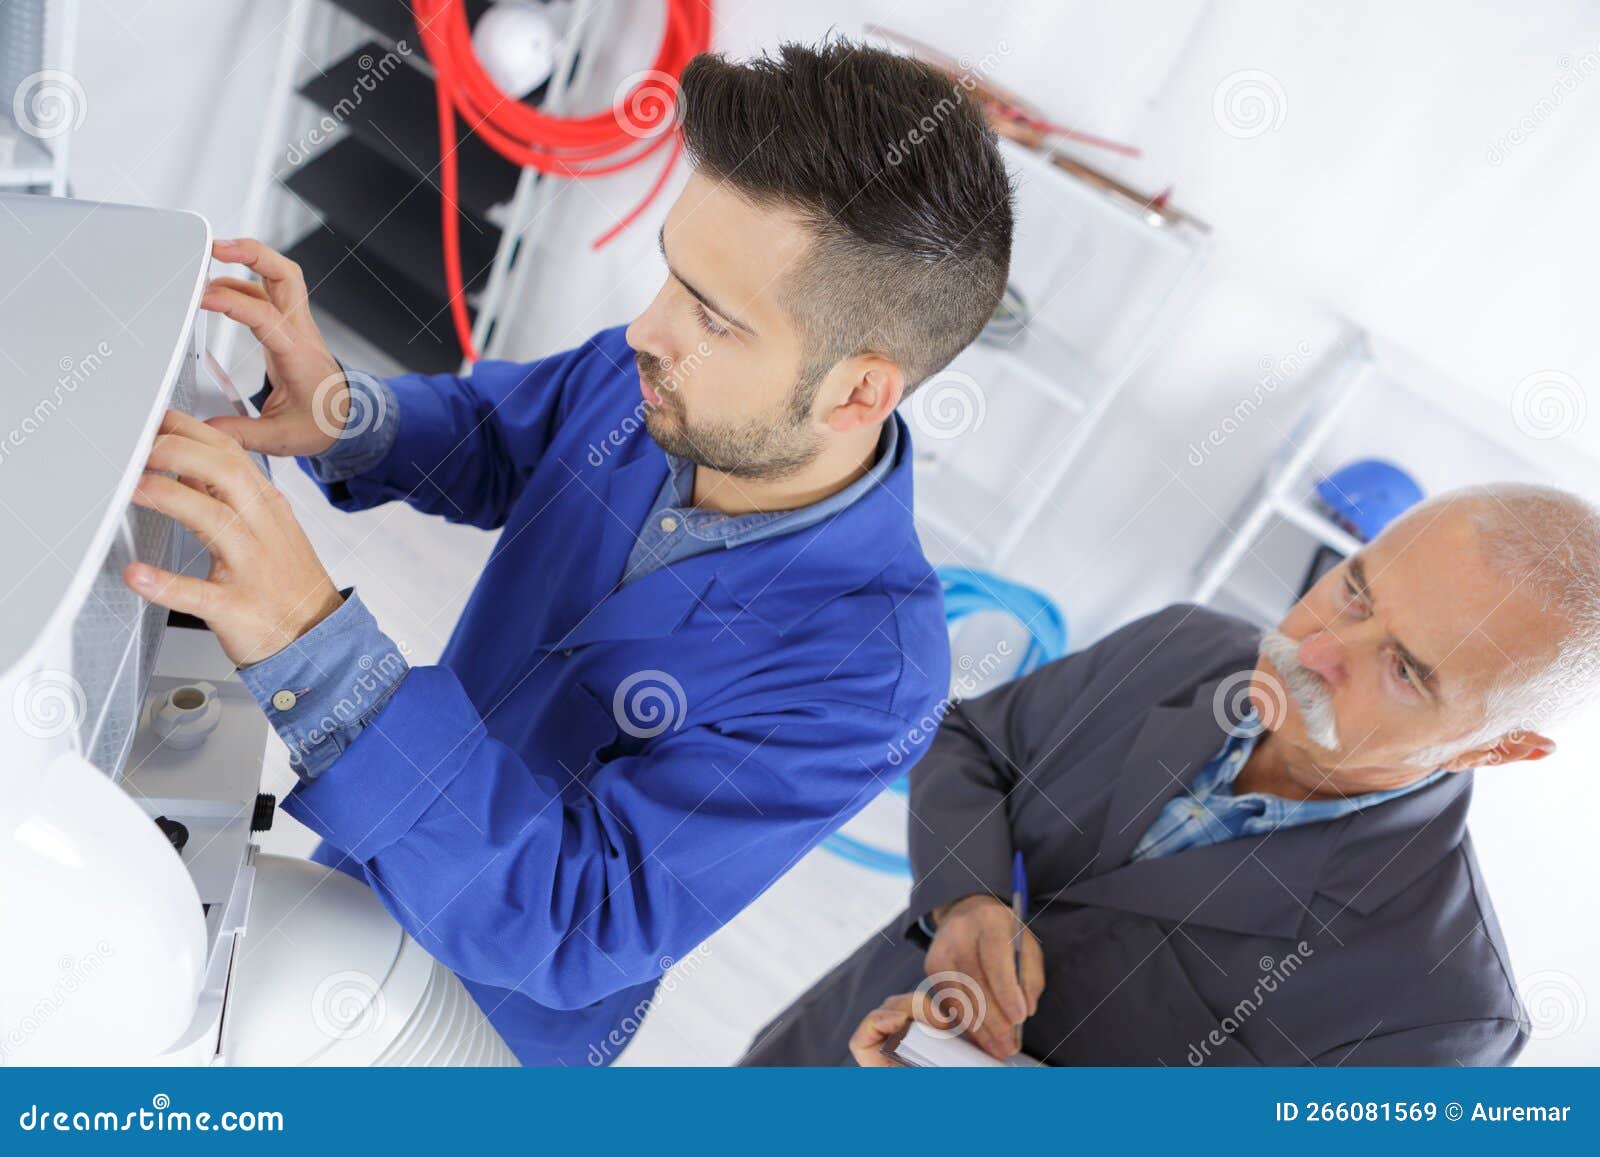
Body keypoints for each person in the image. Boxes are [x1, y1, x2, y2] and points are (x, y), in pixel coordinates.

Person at [121, 39, 1014, 1065]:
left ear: (859, 391)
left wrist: (316, 649)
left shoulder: (866, 675)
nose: (646, 327)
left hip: (484, 1033)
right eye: (673, 274)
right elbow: (496, 439)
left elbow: (580, 917)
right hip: (361, 873)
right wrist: (338, 408)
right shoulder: (658, 384)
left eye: (714, 319)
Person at [743, 483, 1600, 1066]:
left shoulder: (1440, 1014)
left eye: (1405, 670)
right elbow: (973, 741)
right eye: (1354, 591)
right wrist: (966, 898)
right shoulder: (1184, 645)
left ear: (1496, 749)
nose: (1316, 648)